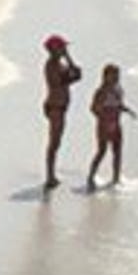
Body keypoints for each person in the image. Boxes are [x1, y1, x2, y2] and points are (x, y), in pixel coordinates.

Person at [38, 36, 82, 192]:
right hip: (55, 107)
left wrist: (68, 58)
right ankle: (49, 176)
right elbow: (66, 79)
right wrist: (71, 69)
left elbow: (77, 75)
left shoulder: (60, 64)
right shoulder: (51, 66)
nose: (64, 50)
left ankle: (51, 174)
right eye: (62, 48)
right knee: (54, 142)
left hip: (61, 106)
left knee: (57, 142)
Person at [85, 64, 132, 190]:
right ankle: (90, 177)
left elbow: (118, 103)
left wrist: (124, 109)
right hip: (104, 125)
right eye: (114, 75)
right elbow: (93, 109)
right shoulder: (101, 91)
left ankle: (116, 179)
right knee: (102, 151)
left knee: (118, 152)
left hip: (117, 123)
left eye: (118, 75)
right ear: (105, 76)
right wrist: (104, 119)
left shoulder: (118, 89)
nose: (117, 77)